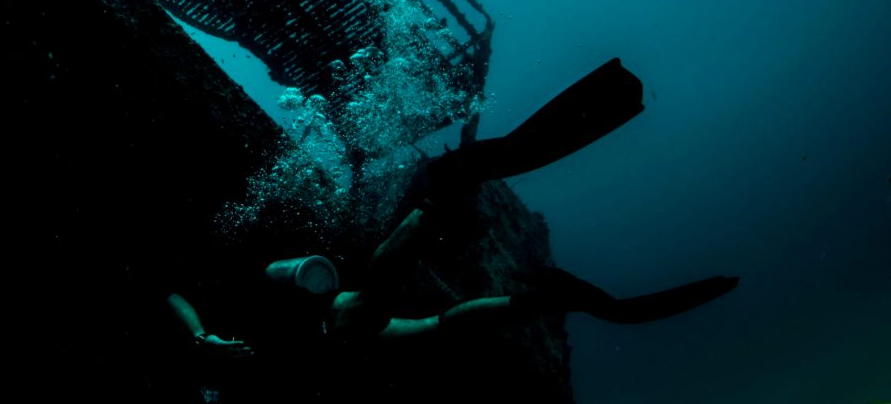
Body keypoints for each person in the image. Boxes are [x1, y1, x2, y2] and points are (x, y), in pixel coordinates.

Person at [167, 58, 739, 398]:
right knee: (422, 312)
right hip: (340, 313)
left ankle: (523, 286)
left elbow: (170, 291)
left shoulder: (235, 309)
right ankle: (532, 298)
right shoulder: (295, 351)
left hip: (333, 276)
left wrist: (199, 338)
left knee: (403, 287)